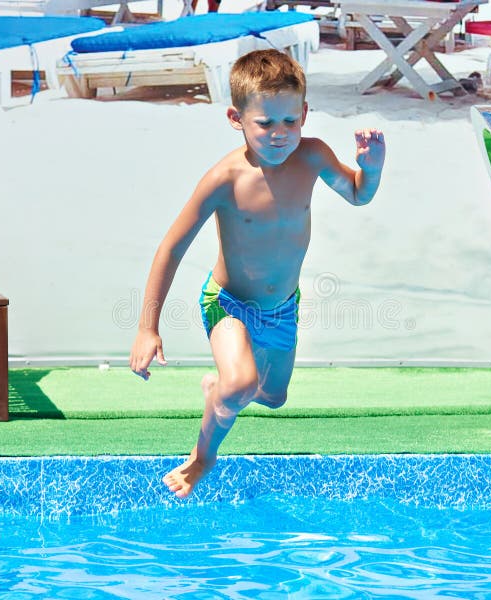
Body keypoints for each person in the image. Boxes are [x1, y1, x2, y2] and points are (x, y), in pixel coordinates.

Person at [129, 49, 386, 498]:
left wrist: (372, 169)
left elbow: (358, 195)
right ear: (236, 118)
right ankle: (202, 457)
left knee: (272, 397)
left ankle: (219, 389)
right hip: (228, 303)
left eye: (290, 121)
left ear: (304, 114)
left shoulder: (313, 156)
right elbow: (171, 247)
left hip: (282, 308)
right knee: (241, 385)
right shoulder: (225, 179)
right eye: (265, 123)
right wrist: (147, 328)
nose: (279, 133)